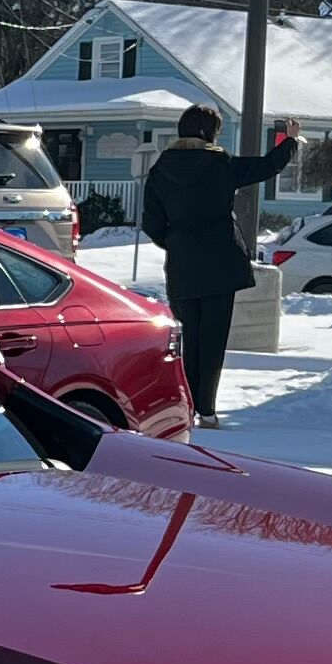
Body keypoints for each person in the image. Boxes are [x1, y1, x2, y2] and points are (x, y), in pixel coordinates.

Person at [137, 104, 299, 427]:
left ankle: (185, 406)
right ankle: (206, 410)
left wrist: (177, 242)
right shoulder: (220, 164)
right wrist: (290, 141)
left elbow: (152, 223)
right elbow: (265, 167)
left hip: (182, 266)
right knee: (211, 340)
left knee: (187, 339)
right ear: (209, 133)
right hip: (220, 266)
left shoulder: (160, 170)